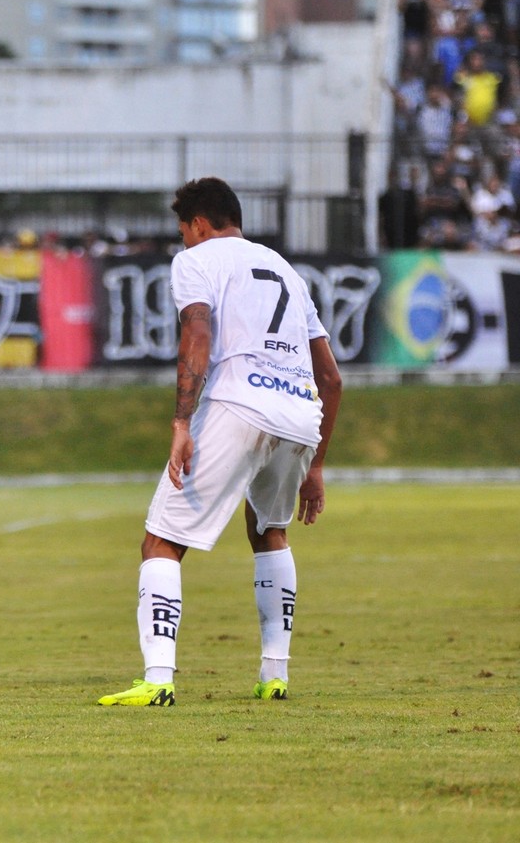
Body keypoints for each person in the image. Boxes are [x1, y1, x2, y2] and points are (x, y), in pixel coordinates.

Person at [98, 178, 342, 708]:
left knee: (161, 540)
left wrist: (182, 423)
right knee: (269, 530)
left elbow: (198, 335)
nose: (184, 240)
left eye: (184, 230)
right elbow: (332, 378)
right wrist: (316, 465)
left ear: (199, 225)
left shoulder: (198, 260)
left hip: (240, 405)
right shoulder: (286, 271)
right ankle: (275, 674)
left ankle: (158, 679)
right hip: (301, 414)